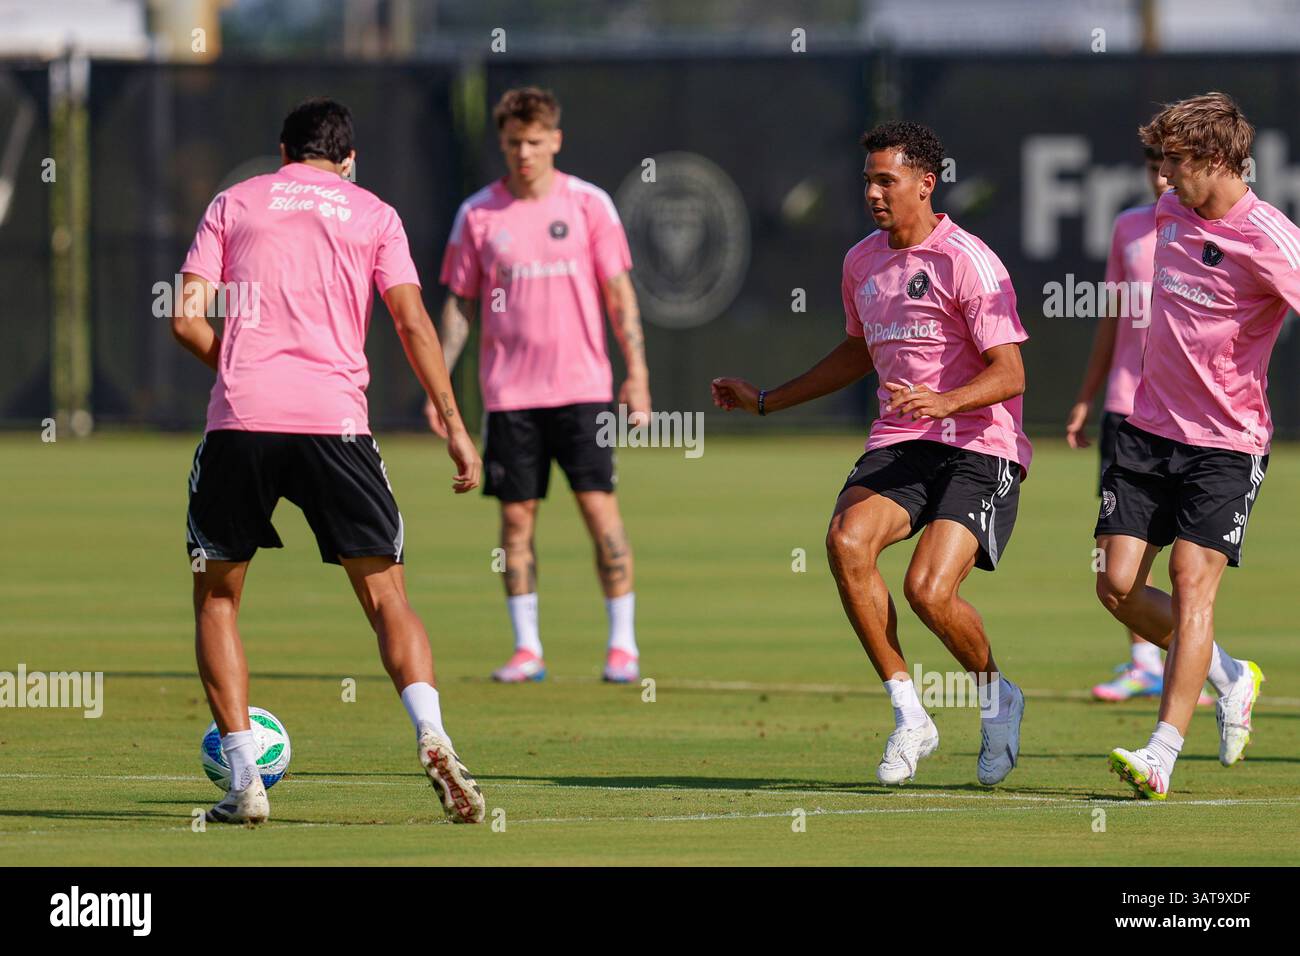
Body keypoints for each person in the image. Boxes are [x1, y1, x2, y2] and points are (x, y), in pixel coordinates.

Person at [173, 98, 485, 824]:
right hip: (336, 424)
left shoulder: (234, 200)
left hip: (242, 422)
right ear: (349, 158)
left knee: (218, 598)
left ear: (283, 150)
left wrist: (241, 366)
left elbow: (186, 316)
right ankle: (432, 734)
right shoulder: (374, 213)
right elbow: (411, 321)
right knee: (388, 601)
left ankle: (245, 781)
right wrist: (454, 424)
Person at [712, 121, 1031, 787]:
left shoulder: (967, 260)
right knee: (846, 543)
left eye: (887, 180)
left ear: (925, 182)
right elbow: (858, 351)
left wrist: (945, 402)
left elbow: (1011, 373)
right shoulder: (861, 261)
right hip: (902, 442)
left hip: (980, 446)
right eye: (868, 181)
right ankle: (910, 714)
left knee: (926, 589)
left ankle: (997, 696)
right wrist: (767, 400)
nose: (874, 194)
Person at [1097, 92, 1297, 799]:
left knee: (1190, 580)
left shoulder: (1271, 237)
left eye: (1174, 162)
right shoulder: (1168, 212)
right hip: (1146, 433)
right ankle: (1229, 674)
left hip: (1226, 445)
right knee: (1115, 587)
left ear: (1215, 159)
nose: (1161, 176)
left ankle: (1161, 753)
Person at [428, 87, 650, 684]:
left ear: (554, 139)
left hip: (582, 390)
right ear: (501, 144)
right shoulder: (478, 214)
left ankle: (622, 645)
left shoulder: (589, 205)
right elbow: (459, 307)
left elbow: (619, 296)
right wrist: (437, 383)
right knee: (516, 523)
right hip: (509, 396)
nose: (523, 152)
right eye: (512, 143)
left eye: (533, 141)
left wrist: (638, 376)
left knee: (600, 511)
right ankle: (527, 648)